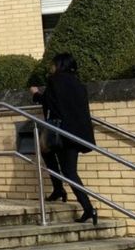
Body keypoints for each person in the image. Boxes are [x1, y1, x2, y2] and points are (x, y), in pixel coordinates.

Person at [30, 52, 97, 225]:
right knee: (53, 157)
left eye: (53, 64)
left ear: (59, 65)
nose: (50, 67)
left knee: (64, 167)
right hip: (76, 134)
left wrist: (36, 94)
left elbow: (49, 102)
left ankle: (85, 206)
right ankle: (61, 190)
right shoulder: (78, 83)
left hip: (62, 132)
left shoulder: (56, 81)